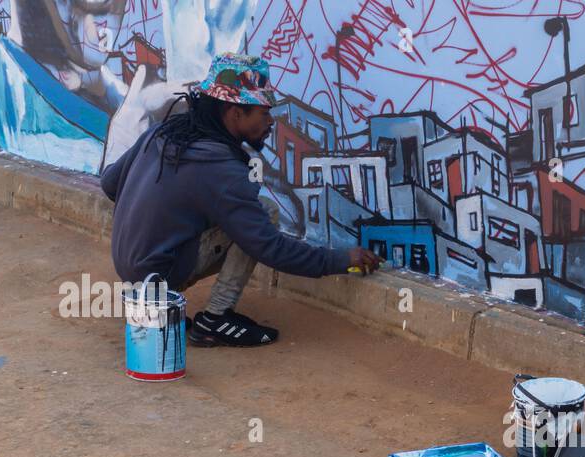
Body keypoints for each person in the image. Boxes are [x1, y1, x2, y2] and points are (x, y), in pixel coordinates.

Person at [100, 53, 380, 347]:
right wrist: (339, 259)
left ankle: (161, 305)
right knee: (266, 213)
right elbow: (270, 248)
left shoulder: (165, 131)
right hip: (160, 273)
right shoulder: (224, 169)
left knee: (233, 215)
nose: (271, 123)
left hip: (131, 269)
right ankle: (216, 320)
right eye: (263, 113)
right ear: (235, 113)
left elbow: (109, 184)